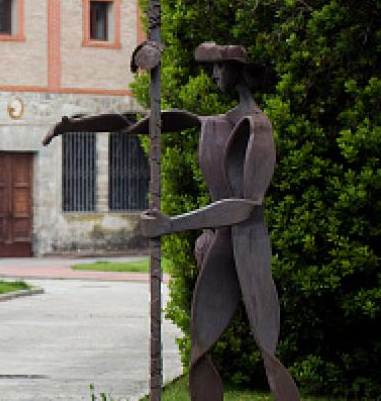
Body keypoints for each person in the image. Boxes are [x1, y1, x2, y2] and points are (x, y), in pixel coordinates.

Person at [42, 42, 299, 401]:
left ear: (238, 71)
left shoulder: (258, 128)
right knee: (200, 352)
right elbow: (142, 126)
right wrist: (73, 125)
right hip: (220, 245)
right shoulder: (218, 123)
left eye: (219, 68)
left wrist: (171, 224)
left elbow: (247, 206)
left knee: (268, 350)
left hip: (249, 244)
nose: (213, 75)